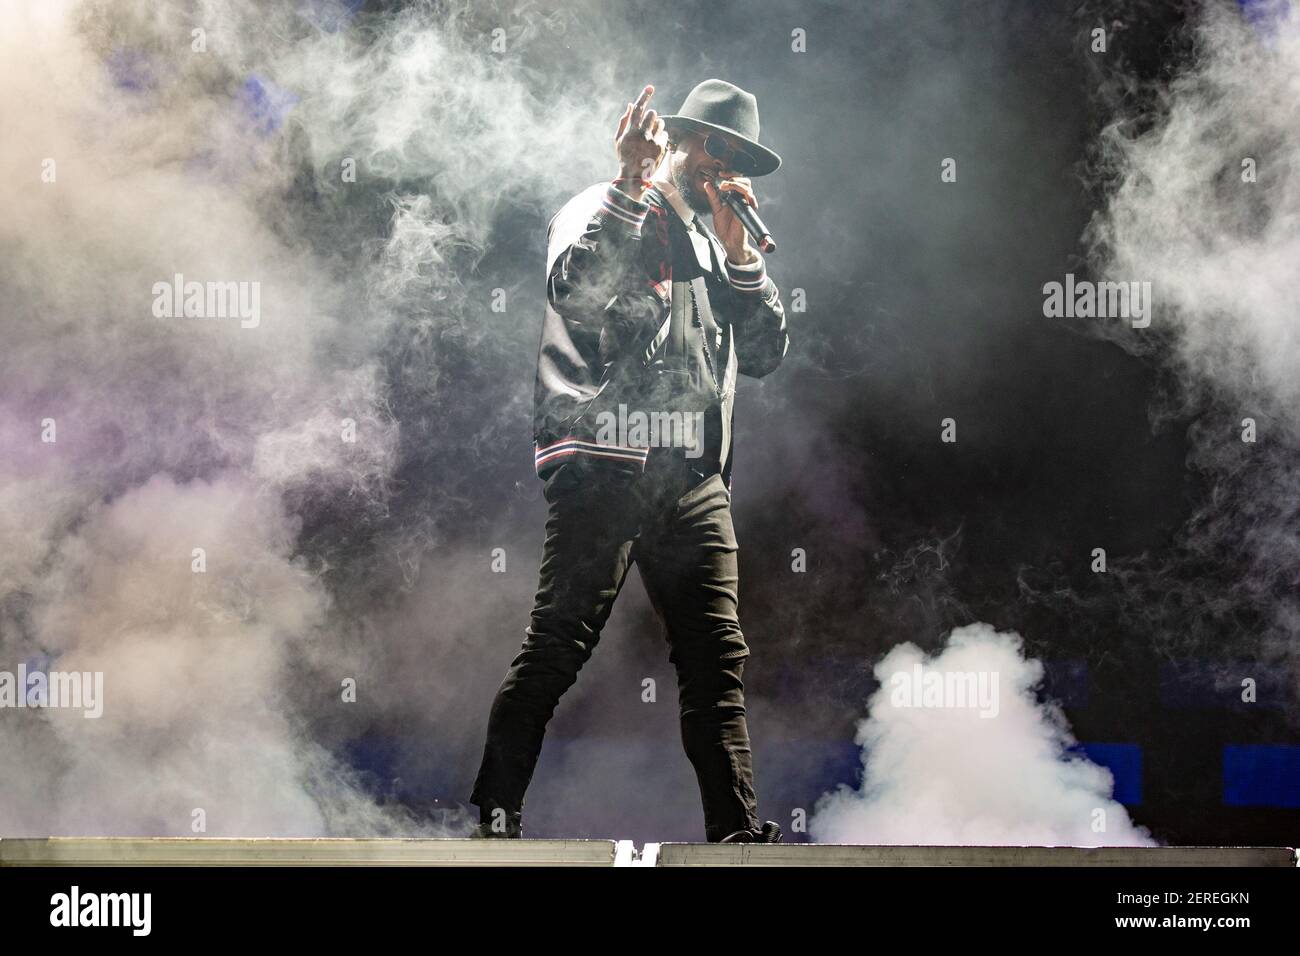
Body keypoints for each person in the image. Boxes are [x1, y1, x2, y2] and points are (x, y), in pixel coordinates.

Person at [469, 79, 789, 843]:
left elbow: (769, 353)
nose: (725, 164)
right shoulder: (601, 205)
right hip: (609, 458)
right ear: (676, 141)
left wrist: (741, 257)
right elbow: (574, 292)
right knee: (559, 642)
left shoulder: (720, 239)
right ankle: (494, 819)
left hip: (693, 477)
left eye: (739, 155)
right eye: (715, 146)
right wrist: (628, 184)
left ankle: (737, 836)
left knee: (717, 661)